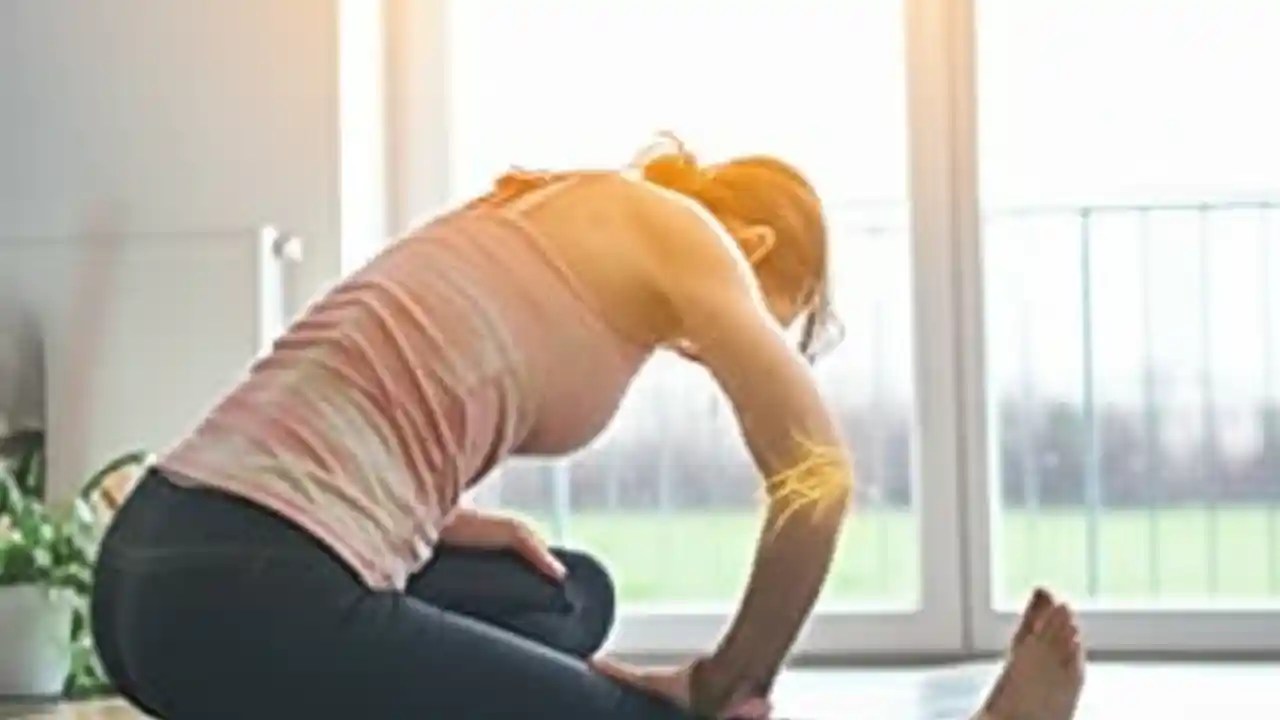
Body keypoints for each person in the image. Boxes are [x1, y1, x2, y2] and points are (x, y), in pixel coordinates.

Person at [90, 135, 1085, 719]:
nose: (733, 342)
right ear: (752, 246)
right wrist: (732, 681)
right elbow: (815, 474)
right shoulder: (689, 235)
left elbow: (371, 388)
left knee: (565, 594)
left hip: (146, 578)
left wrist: (439, 517)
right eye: (777, 311)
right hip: (252, 593)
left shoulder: (542, 209)